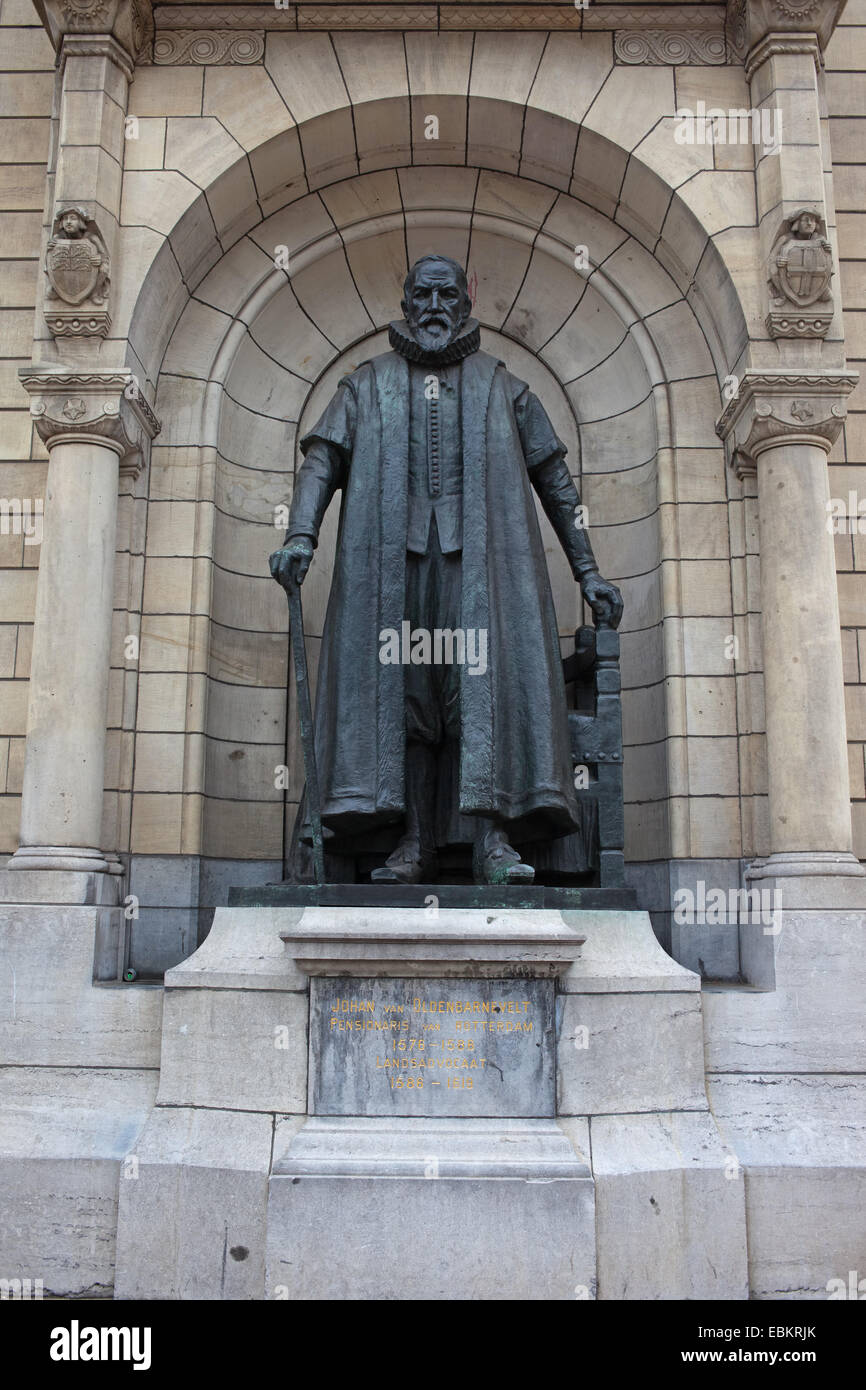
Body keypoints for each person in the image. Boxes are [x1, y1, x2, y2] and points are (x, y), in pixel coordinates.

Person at [270, 254, 622, 885]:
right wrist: (301, 536)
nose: (435, 307)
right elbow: (321, 461)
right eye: (423, 295)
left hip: (483, 568)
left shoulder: (505, 385)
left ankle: (491, 841)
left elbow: (557, 484)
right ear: (406, 305)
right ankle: (412, 841)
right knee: (405, 699)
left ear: (467, 302)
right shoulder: (364, 384)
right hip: (391, 569)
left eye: (447, 295)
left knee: (477, 695)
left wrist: (587, 573)